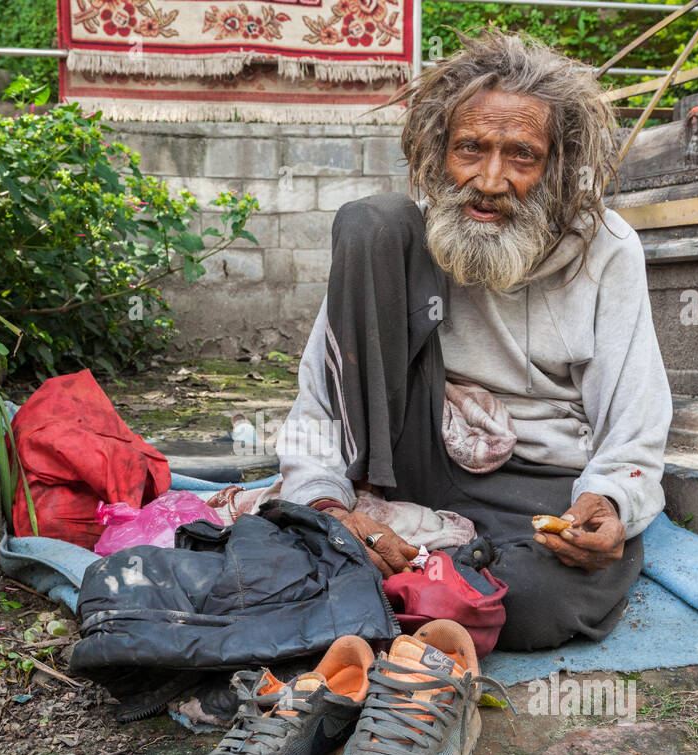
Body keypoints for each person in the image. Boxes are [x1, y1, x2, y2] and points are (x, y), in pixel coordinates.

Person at [277, 29, 673, 652]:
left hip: (534, 485)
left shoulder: (606, 249)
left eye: (521, 155)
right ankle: (373, 542)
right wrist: (325, 505)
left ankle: (407, 587)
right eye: (470, 149)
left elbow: (634, 415)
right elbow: (320, 396)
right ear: (438, 155)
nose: (490, 180)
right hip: (399, 462)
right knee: (370, 219)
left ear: (556, 165)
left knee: (536, 605)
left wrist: (611, 500)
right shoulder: (401, 242)